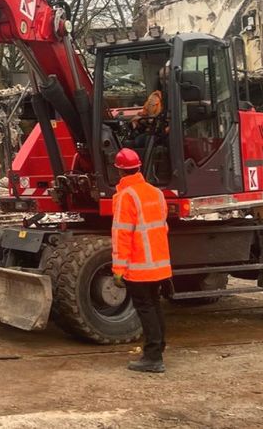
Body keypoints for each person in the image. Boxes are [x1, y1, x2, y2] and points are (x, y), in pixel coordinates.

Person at [110, 147, 172, 373]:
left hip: (138, 266)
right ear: (138, 167)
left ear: (119, 171)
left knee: (146, 308)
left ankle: (153, 357)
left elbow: (122, 234)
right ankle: (158, 348)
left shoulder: (126, 196)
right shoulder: (155, 193)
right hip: (157, 264)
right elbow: (161, 226)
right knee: (154, 305)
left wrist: (118, 269)